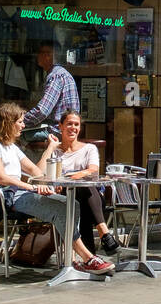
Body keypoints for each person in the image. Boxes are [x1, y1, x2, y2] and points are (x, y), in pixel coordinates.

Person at [0, 102, 113, 274]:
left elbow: (35, 170)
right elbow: (1, 178)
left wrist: (43, 184)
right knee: (59, 208)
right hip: (2, 195)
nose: (23, 126)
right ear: (8, 122)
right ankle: (87, 258)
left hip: (20, 192)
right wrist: (31, 187)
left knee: (72, 204)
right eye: (20, 122)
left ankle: (71, 259)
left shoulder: (12, 147)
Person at [51, 110, 120, 257]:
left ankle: (90, 256)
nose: (73, 127)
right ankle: (104, 236)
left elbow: (93, 170)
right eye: (69, 124)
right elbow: (47, 174)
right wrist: (51, 147)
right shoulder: (54, 151)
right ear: (60, 126)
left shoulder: (89, 149)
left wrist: (73, 178)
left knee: (83, 189)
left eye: (76, 124)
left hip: (90, 196)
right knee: (82, 195)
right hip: (64, 196)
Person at [23, 41, 81, 134]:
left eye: (40, 52)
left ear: (48, 56)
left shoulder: (56, 76)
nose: (37, 56)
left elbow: (42, 111)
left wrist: (21, 121)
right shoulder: (58, 73)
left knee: (16, 134)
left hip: (56, 130)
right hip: (63, 128)